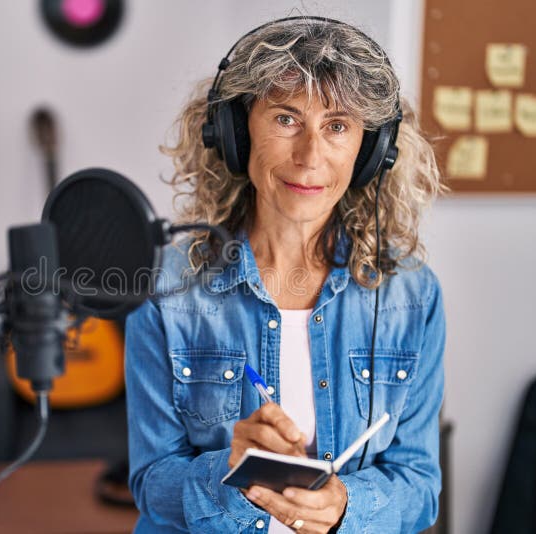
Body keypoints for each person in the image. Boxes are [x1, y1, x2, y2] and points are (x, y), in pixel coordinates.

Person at [124, 16, 447, 534]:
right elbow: (152, 486)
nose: (309, 156)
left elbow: (419, 487)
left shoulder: (411, 294)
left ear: (371, 152)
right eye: (286, 119)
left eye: (337, 126)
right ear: (235, 132)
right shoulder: (165, 286)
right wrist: (227, 474)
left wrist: (346, 507)